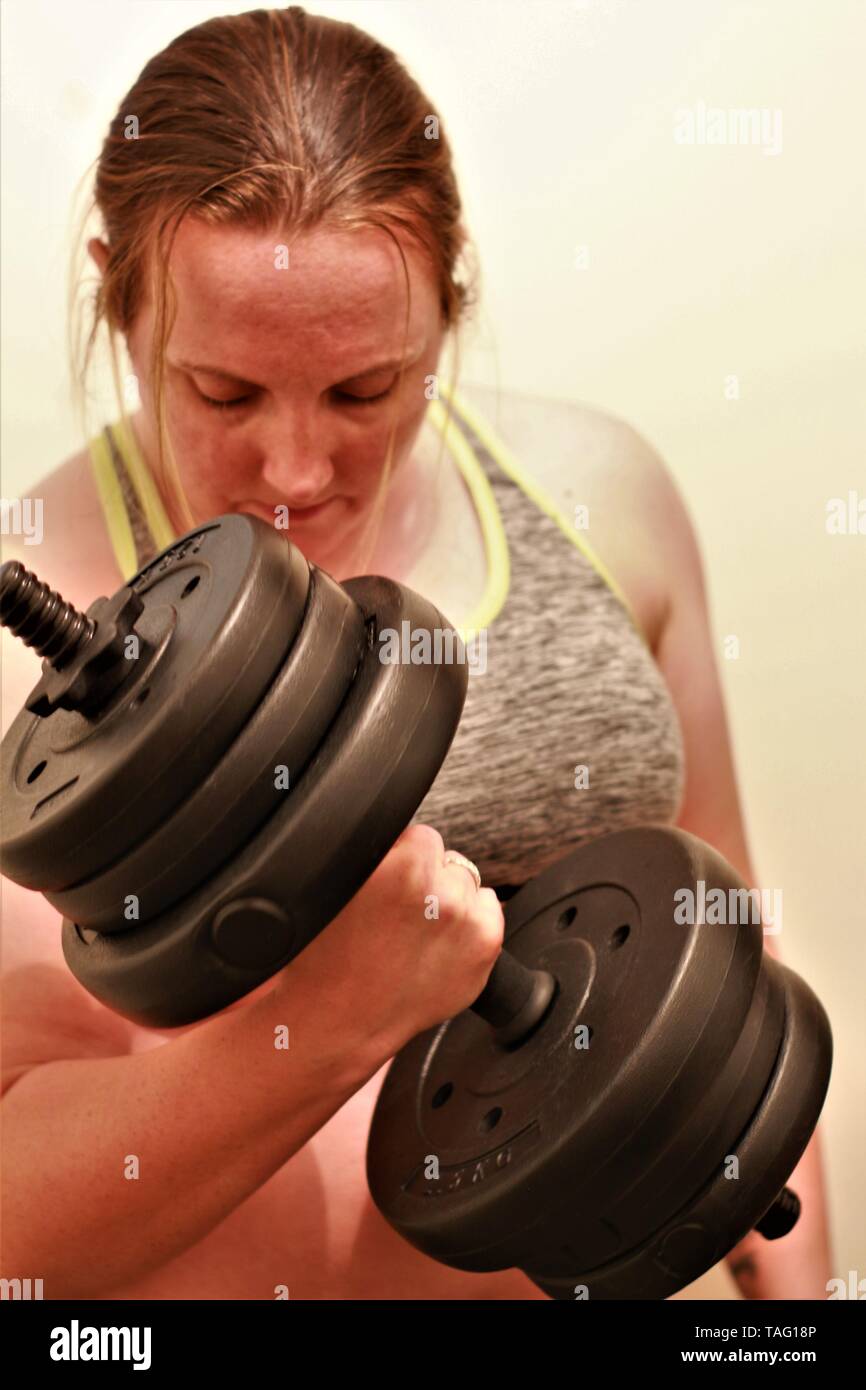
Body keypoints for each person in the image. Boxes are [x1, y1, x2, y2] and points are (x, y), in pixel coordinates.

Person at [0, 5, 830, 1301]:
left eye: (362, 390)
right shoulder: (25, 667)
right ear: (120, 294)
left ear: (450, 304)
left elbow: (731, 967)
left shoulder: (598, 499)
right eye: (221, 393)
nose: (291, 468)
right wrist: (328, 1025)